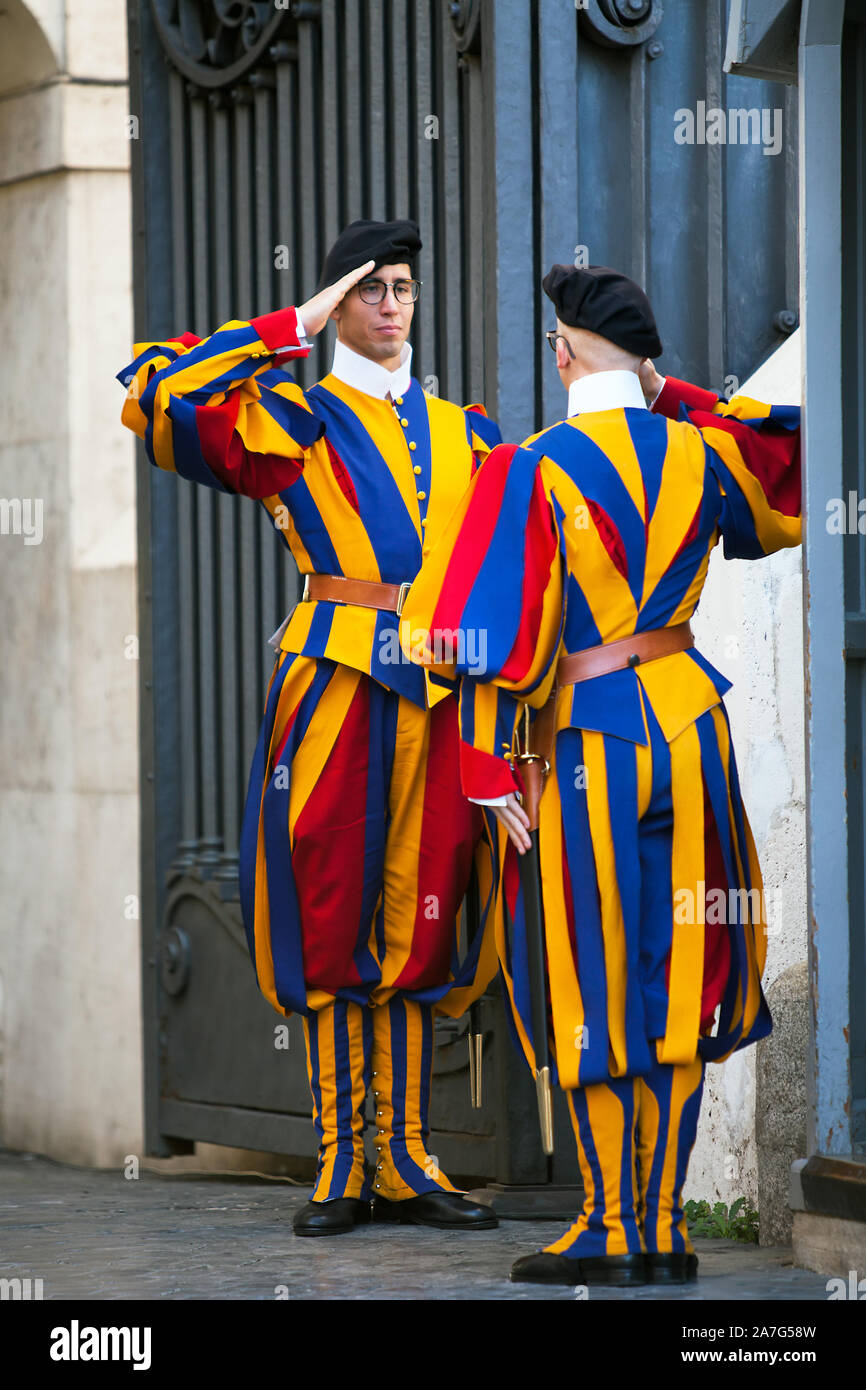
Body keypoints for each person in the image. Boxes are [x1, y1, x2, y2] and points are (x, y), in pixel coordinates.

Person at [400, 263, 801, 1285]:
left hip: (588, 744)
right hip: (689, 727)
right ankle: (661, 1228)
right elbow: (795, 453)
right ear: (646, 362)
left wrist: (488, 760)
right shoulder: (702, 453)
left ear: (560, 351)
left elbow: (482, 628)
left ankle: (610, 1227)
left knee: (588, 971)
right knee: (677, 969)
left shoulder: (529, 469)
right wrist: (679, 399)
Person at [117, 219, 502, 1237]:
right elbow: (155, 396)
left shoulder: (469, 432)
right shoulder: (294, 417)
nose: (390, 304)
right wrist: (288, 326)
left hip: (442, 689)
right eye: (368, 288)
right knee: (329, 909)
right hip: (333, 687)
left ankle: (408, 1157)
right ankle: (341, 1159)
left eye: (403, 288)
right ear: (338, 303)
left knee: (421, 916)